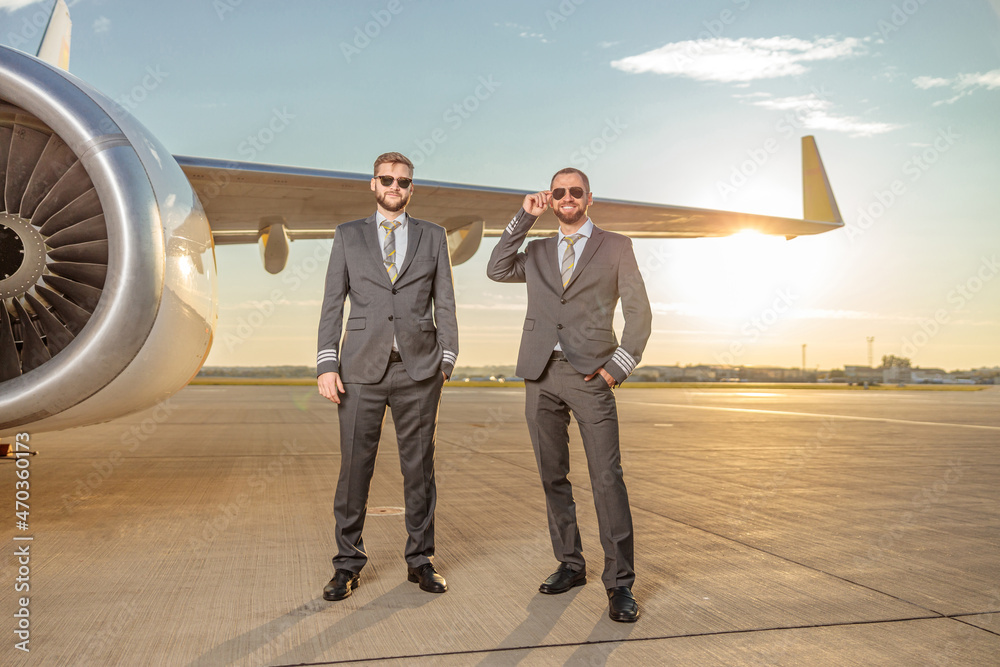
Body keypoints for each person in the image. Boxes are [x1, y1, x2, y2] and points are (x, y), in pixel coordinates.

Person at [486, 167, 652, 622]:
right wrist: (523, 217)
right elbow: (497, 268)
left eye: (574, 192)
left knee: (606, 479)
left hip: (591, 377)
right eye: (558, 192)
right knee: (551, 476)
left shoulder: (616, 246)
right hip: (540, 374)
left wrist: (616, 369)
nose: (566, 197)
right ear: (551, 198)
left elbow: (639, 312)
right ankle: (570, 564)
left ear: (589, 198)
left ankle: (620, 584)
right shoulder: (537, 249)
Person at [317, 152, 458, 601]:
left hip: (420, 370)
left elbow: (446, 303)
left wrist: (446, 361)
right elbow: (332, 303)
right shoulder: (347, 235)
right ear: (372, 184)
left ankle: (421, 561)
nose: (394, 186)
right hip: (359, 371)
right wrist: (326, 363)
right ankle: (347, 565)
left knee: (419, 471)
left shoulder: (433, 237)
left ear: (411, 188)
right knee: (354, 470)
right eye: (386, 179)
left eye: (403, 181)